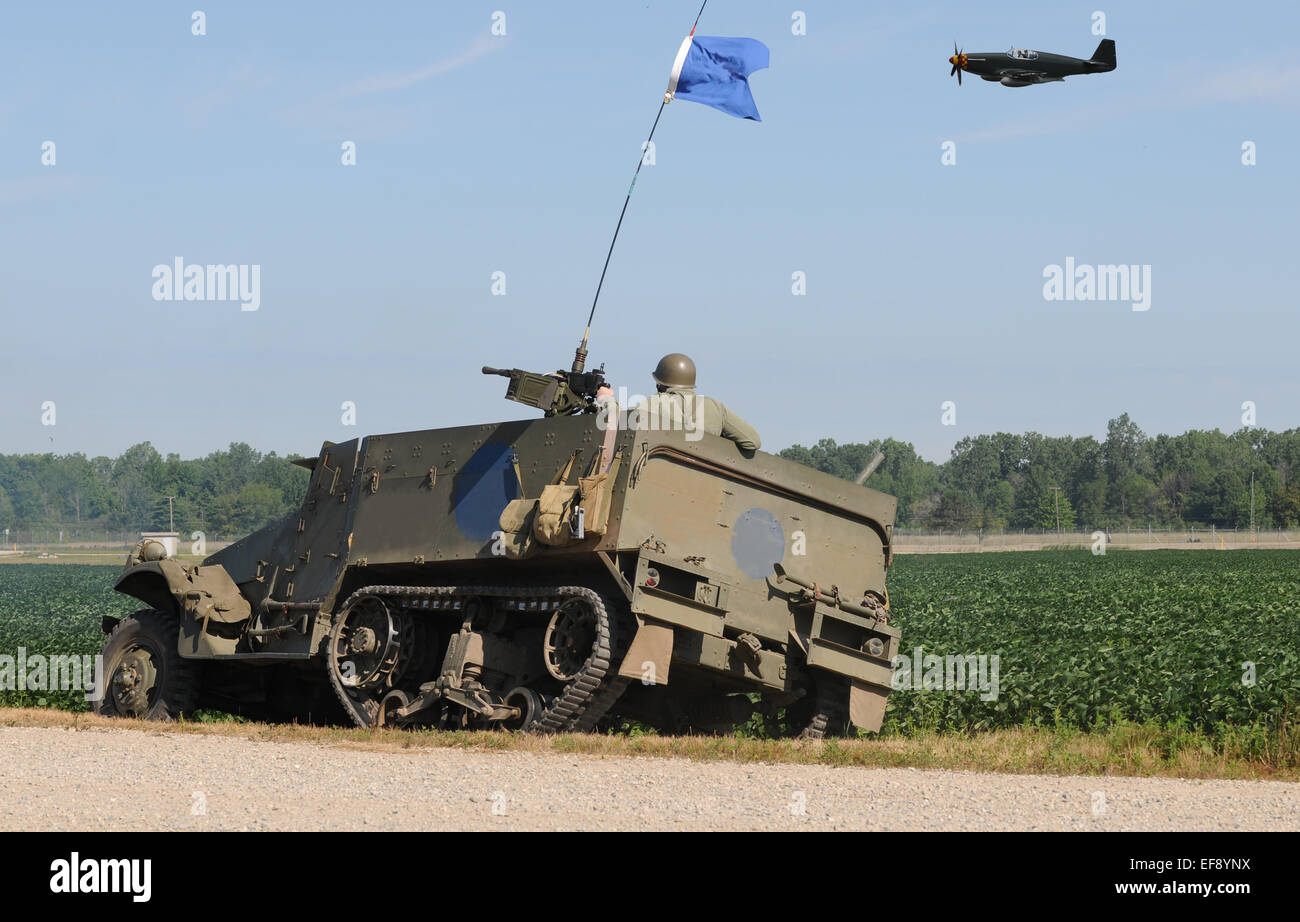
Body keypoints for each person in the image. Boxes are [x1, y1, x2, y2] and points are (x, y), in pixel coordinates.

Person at [635, 353, 761, 451]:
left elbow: (627, 428)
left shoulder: (653, 403)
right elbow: (753, 441)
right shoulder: (715, 408)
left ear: (660, 384)